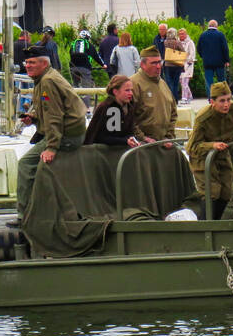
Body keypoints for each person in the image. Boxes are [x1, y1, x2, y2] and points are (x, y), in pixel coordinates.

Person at [16, 48, 86, 216]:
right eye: (27, 63)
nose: (28, 66)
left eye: (32, 62)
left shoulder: (47, 81)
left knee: (25, 165)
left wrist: (52, 147)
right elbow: (51, 110)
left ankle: (25, 215)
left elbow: (54, 116)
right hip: (70, 132)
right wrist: (33, 118)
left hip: (66, 136)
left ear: (44, 63)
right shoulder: (46, 77)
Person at [186, 81, 233, 220]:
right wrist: (212, 145)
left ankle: (215, 224)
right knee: (212, 192)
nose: (226, 104)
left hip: (222, 156)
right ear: (212, 102)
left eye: (228, 100)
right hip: (203, 158)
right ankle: (206, 227)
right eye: (222, 101)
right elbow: (191, 148)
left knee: (227, 191)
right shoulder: (203, 118)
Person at [130, 47, 177, 141]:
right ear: (142, 64)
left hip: (164, 143)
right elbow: (128, 117)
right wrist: (142, 137)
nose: (158, 66)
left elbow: (173, 112)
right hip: (142, 145)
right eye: (154, 63)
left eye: (160, 62)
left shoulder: (163, 84)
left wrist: (169, 136)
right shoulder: (133, 84)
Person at [84, 75, 141, 147]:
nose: (131, 93)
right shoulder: (111, 108)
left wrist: (132, 139)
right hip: (100, 153)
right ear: (115, 92)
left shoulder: (129, 106)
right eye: (127, 90)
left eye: (131, 90)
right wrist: (125, 141)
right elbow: (103, 137)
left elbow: (128, 132)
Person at [197, 18, 230, 94]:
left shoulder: (203, 35)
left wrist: (203, 56)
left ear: (208, 26)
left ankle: (211, 98)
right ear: (216, 26)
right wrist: (227, 60)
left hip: (207, 62)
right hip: (220, 62)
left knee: (209, 82)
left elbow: (199, 48)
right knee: (221, 81)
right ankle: (222, 96)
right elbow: (225, 48)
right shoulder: (220, 35)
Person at [162, 26, 186, 100]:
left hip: (167, 64)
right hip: (177, 64)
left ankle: (170, 98)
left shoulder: (165, 42)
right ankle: (175, 99)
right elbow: (183, 51)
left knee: (169, 82)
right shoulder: (177, 42)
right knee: (175, 83)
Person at [178, 27, 197, 103]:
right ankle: (189, 96)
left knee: (185, 81)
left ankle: (184, 98)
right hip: (179, 64)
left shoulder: (190, 42)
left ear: (186, 34)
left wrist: (189, 61)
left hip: (188, 64)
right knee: (181, 82)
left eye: (183, 34)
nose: (181, 35)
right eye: (180, 34)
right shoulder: (178, 42)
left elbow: (192, 53)